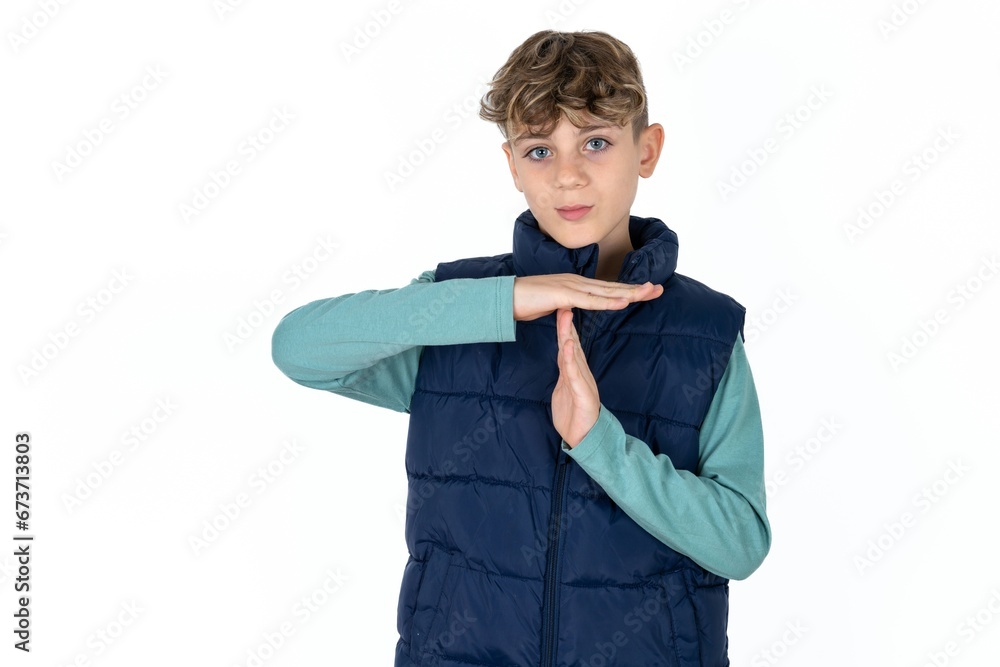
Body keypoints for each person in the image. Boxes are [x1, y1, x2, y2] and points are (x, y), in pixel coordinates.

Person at [272, 29, 770, 667]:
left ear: (648, 150)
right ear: (511, 165)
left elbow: (741, 543)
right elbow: (298, 348)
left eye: (596, 141)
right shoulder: (455, 313)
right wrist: (500, 300)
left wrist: (600, 444)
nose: (568, 175)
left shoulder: (705, 333)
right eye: (540, 149)